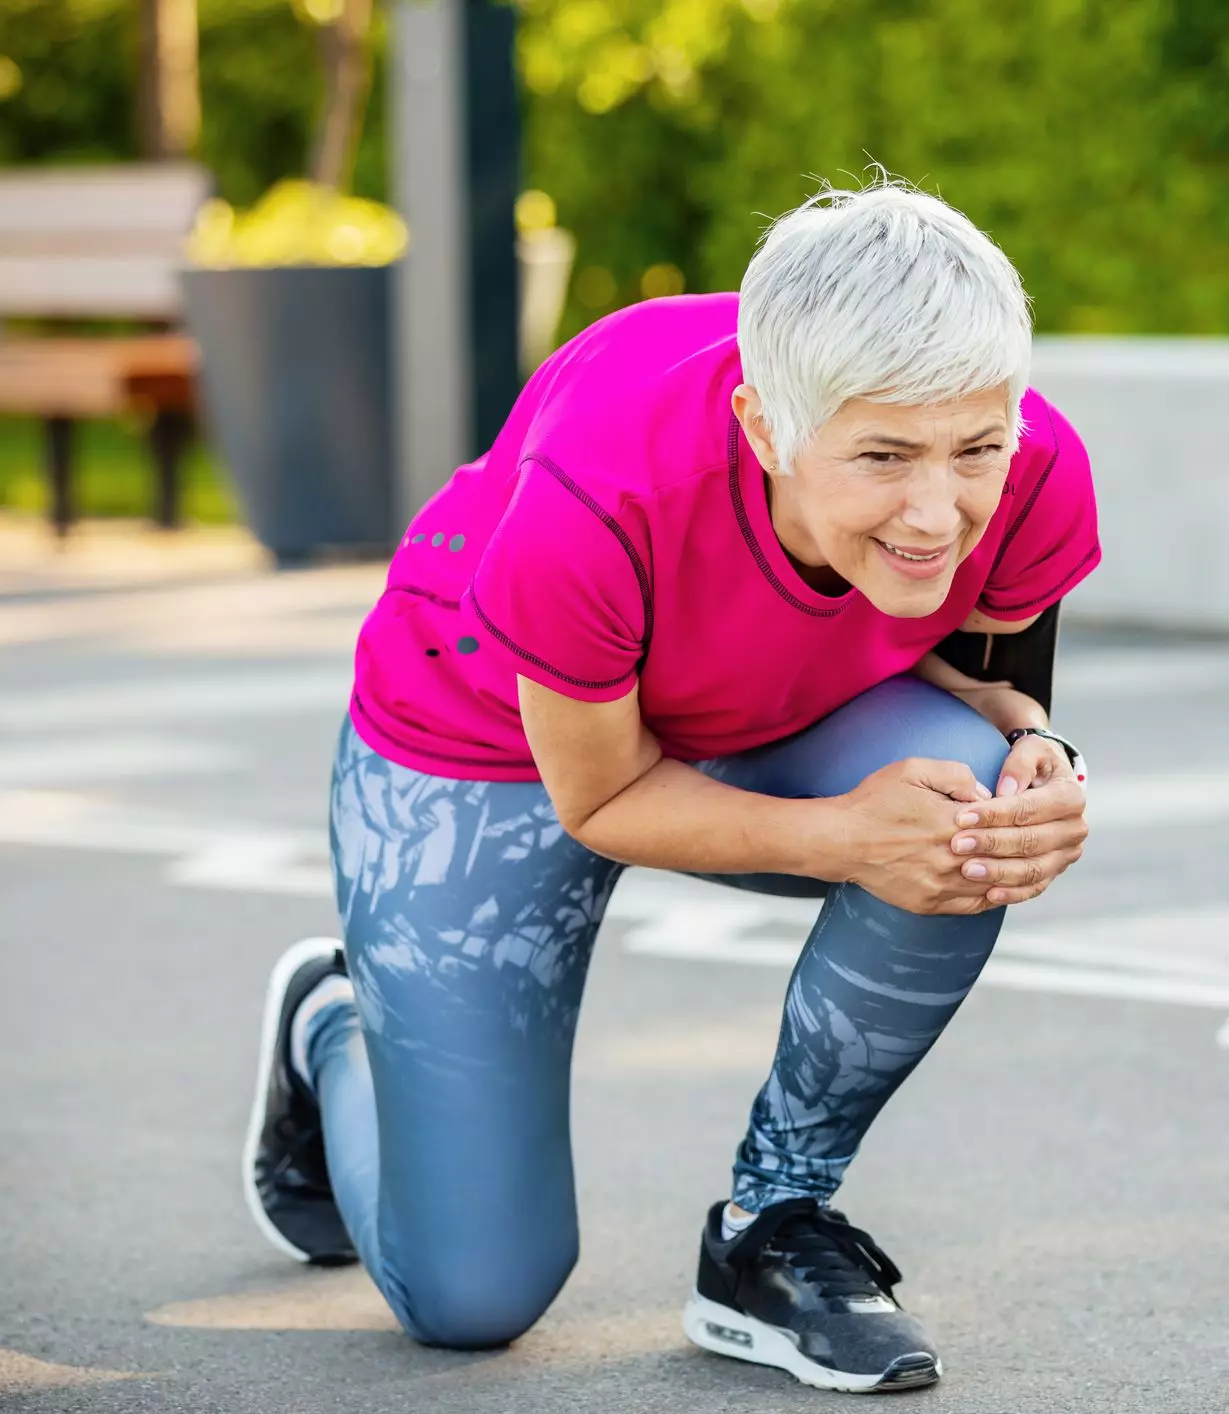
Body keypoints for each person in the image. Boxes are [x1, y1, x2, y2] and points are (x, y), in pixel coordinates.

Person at [241, 175, 1099, 1393]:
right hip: (492, 742)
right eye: (882, 456)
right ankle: (333, 1025)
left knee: (960, 808)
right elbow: (600, 802)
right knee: (472, 1298)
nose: (937, 508)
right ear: (765, 430)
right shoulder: (601, 487)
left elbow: (993, 694)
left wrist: (1044, 772)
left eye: (976, 449)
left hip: (769, 705)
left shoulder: (1030, 466)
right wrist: (848, 838)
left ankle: (772, 1225)